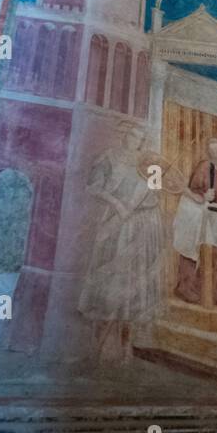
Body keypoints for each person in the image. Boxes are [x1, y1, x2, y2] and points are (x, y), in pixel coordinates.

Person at [77, 123, 165, 362]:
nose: (135, 140)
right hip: (116, 222)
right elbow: (93, 187)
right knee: (108, 279)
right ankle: (98, 349)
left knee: (135, 283)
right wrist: (117, 204)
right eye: (132, 135)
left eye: (140, 137)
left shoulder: (147, 163)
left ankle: (126, 349)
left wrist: (153, 188)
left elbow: (155, 192)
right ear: (125, 136)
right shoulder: (109, 157)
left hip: (142, 224)